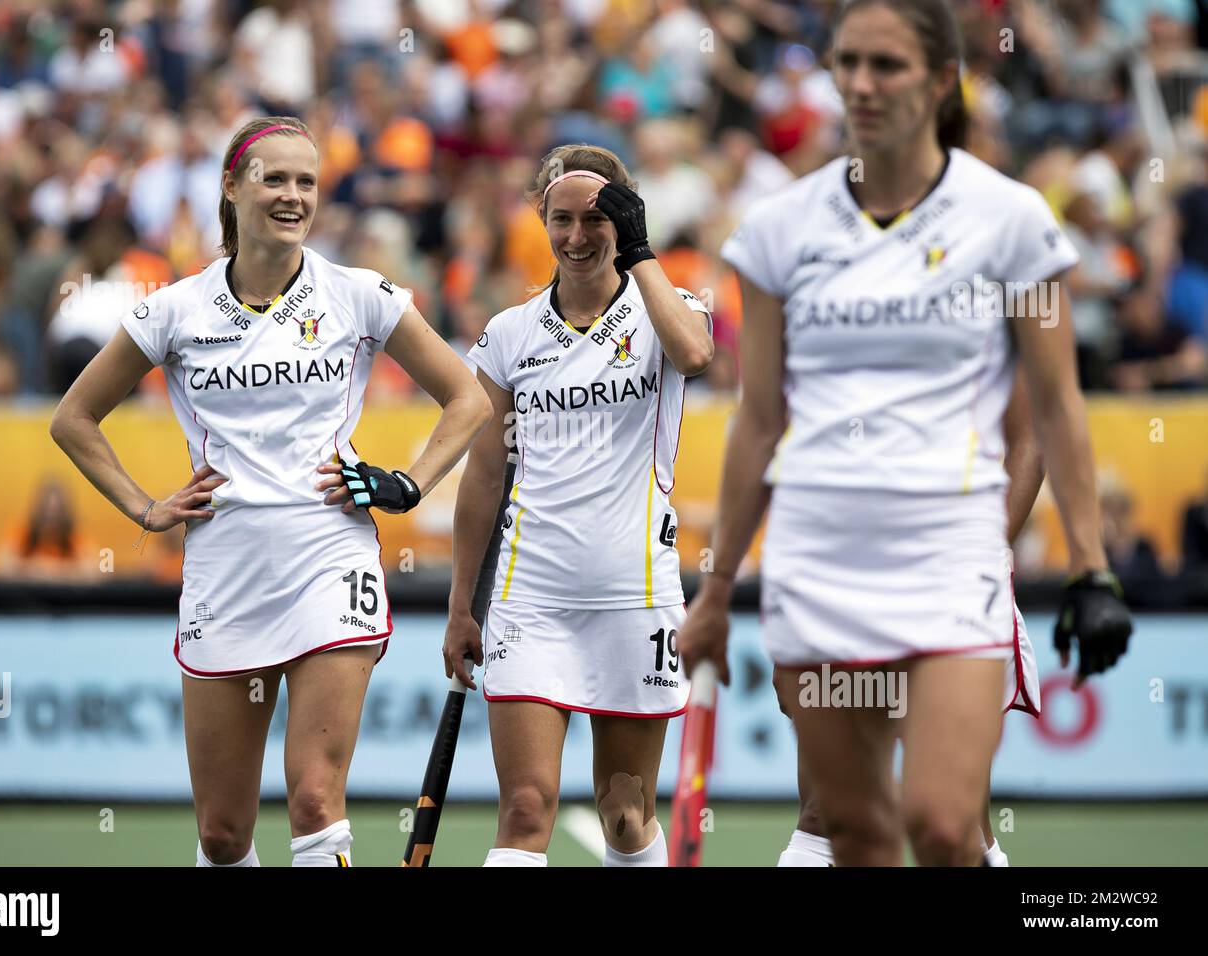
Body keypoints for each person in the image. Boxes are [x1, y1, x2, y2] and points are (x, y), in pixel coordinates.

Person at [678, 0, 1132, 866]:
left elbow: (1055, 407)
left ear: (937, 80)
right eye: (846, 63)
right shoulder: (778, 231)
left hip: (951, 552)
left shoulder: (1014, 222)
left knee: (941, 824)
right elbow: (761, 420)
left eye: (885, 65)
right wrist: (719, 584)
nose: (860, 84)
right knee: (850, 835)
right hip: (818, 559)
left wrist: (1089, 564)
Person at [50, 117, 491, 867]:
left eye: (307, 182)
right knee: (223, 836)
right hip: (226, 568)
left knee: (315, 799)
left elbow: (469, 399)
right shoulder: (174, 309)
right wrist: (145, 508)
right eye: (274, 178)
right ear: (231, 186)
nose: (293, 196)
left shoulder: (359, 294)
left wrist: (408, 483)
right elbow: (74, 418)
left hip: (330, 558)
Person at [444, 144, 713, 867]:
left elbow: (696, 355)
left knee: (626, 815)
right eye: (560, 219)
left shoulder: (669, 309)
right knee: (526, 806)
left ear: (623, 220)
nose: (577, 237)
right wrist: (462, 606)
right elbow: (483, 475)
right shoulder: (509, 334)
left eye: (597, 219)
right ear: (541, 220)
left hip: (636, 592)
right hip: (530, 596)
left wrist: (642, 249)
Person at [776, 370, 1043, 868]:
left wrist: (979, 558)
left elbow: (1032, 436)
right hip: (846, 579)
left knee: (955, 821)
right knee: (820, 813)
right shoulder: (829, 305)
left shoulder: (987, 299)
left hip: (954, 588)